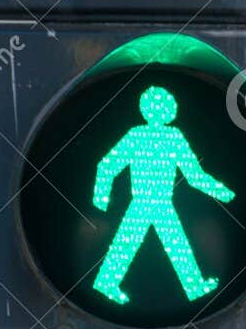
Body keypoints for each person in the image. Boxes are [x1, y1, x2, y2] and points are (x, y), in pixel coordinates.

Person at [90, 86, 235, 304]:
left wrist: (101, 198)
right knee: (171, 244)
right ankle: (193, 286)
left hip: (148, 202)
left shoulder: (139, 135)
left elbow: (107, 166)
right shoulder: (168, 137)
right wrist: (221, 193)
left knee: (156, 244)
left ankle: (108, 283)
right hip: (152, 201)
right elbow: (195, 176)